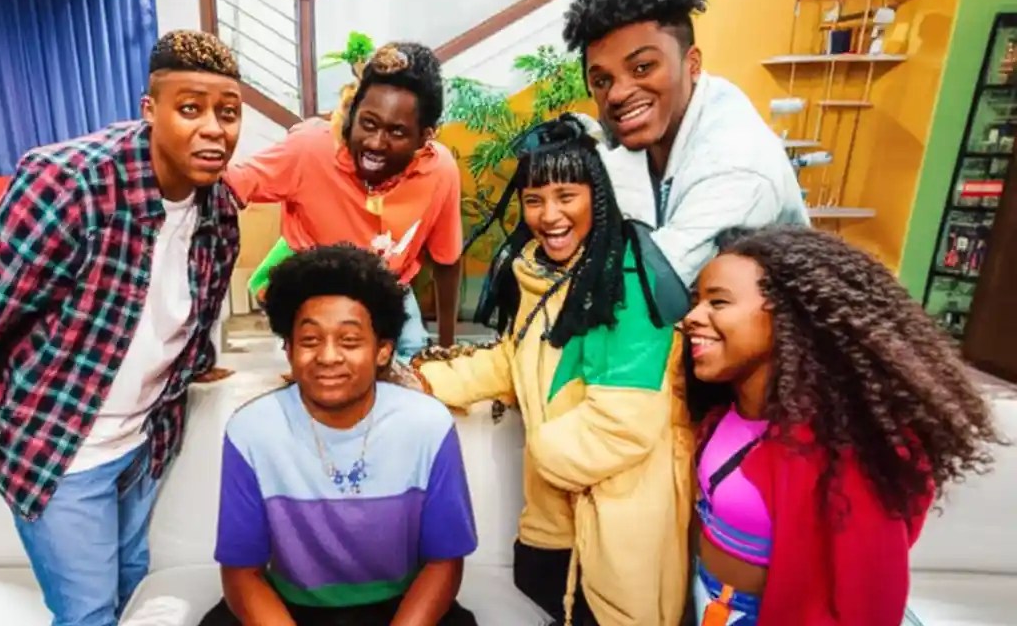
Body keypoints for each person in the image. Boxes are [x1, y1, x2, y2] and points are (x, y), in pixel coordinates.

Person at [0, 30, 244, 626]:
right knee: (88, 615)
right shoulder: (69, 184)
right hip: (58, 446)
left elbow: (192, 313)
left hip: (143, 443)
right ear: (150, 109)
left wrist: (196, 364)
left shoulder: (218, 209)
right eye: (190, 108)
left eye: (228, 112)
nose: (214, 129)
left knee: (134, 596)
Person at [411, 115, 691, 626]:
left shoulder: (624, 282)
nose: (549, 215)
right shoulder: (546, 273)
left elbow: (622, 424)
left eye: (567, 196)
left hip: (616, 526)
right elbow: (515, 358)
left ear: (597, 197)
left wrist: (541, 451)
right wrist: (421, 381)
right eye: (534, 200)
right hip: (552, 522)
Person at [682, 226, 1000, 625]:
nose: (692, 317)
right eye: (696, 302)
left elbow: (868, 599)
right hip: (709, 601)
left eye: (719, 302)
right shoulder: (722, 412)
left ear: (789, 315)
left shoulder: (843, 447)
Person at [201, 244, 478, 626]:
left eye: (349, 341)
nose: (328, 357)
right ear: (289, 349)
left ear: (383, 350)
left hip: (401, 608)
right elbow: (241, 572)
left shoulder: (427, 425)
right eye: (310, 341)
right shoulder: (252, 431)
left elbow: (445, 562)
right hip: (287, 610)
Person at [563, 0, 809, 285]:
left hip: (772, 331)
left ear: (691, 63)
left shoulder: (736, 165)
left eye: (642, 68)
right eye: (602, 81)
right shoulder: (644, 129)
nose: (618, 94)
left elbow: (650, 289)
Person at [224, 42, 463, 362]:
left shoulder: (441, 170)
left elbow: (446, 260)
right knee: (333, 378)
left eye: (396, 132)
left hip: (391, 290)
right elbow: (227, 185)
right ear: (353, 111)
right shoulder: (310, 149)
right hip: (317, 291)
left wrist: (446, 348)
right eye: (368, 123)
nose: (376, 143)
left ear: (425, 137)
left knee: (413, 366)